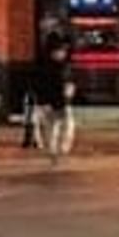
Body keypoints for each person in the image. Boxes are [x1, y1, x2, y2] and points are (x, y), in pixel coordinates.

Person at [35, 33, 75, 163]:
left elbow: (36, 84)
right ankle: (58, 149)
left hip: (44, 102)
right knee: (65, 125)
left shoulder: (41, 64)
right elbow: (65, 84)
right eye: (61, 51)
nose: (63, 53)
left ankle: (52, 150)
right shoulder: (60, 68)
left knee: (50, 127)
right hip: (58, 102)